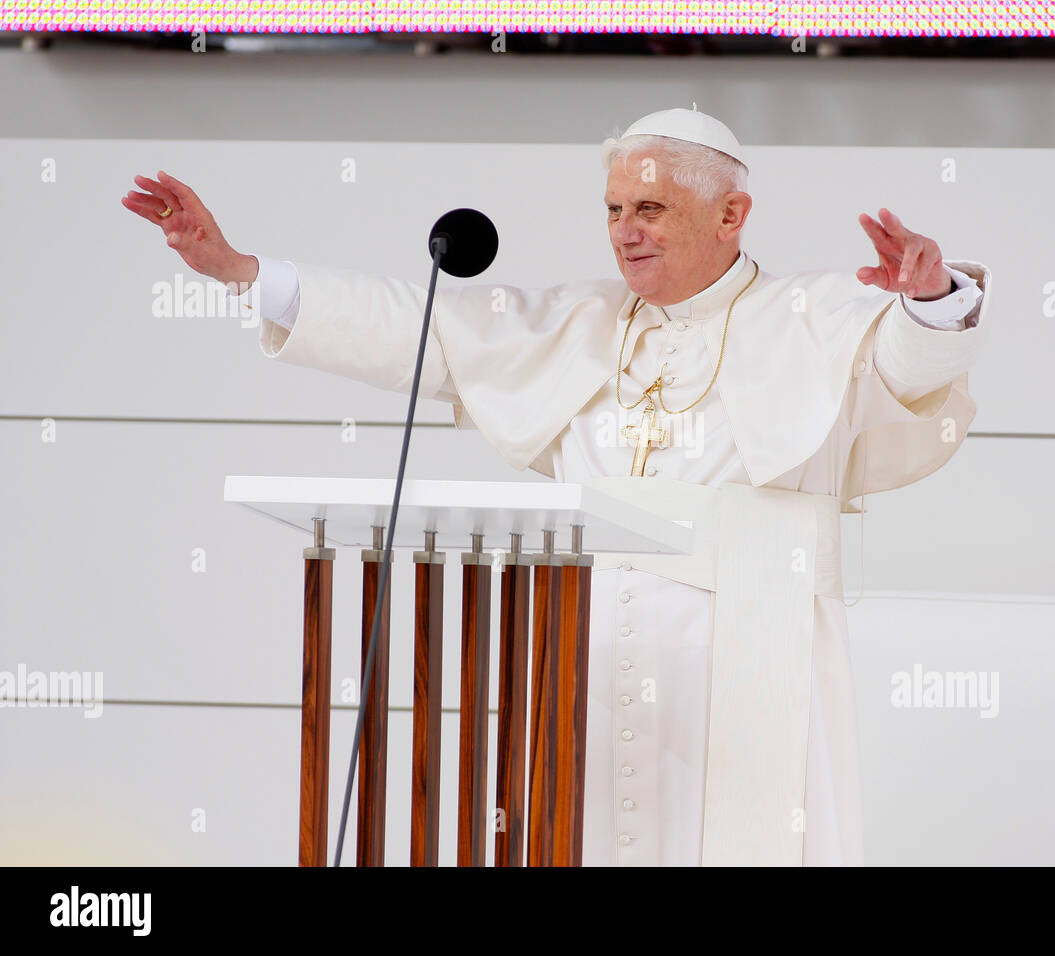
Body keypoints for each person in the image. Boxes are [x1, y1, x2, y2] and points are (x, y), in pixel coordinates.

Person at [122, 106, 990, 866]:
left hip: (742, 667)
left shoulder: (818, 317)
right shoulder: (574, 325)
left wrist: (930, 301)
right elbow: (410, 328)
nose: (625, 231)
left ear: (732, 214)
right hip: (582, 660)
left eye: (651, 208)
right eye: (614, 210)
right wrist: (244, 272)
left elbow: (908, 373)